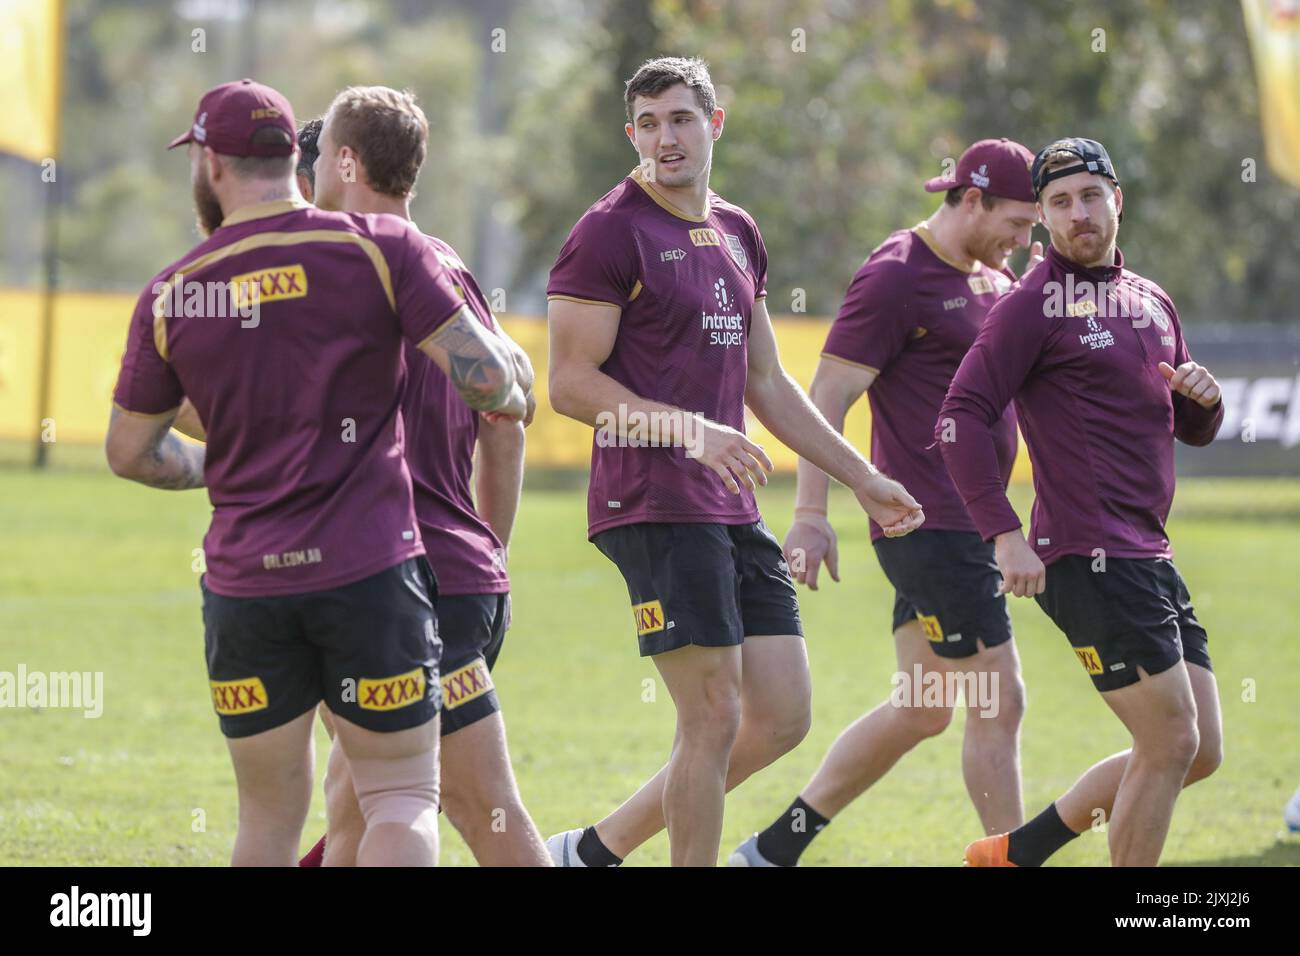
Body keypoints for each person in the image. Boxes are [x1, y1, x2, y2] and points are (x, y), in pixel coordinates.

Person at [105, 78, 524, 866]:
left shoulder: (174, 292)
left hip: (243, 589)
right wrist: (510, 374)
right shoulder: (379, 247)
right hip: (370, 573)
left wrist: (212, 463)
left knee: (266, 820)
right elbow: (488, 386)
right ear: (293, 158)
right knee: (400, 794)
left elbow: (129, 451)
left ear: (211, 163)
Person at [544, 56, 923, 867]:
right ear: (630, 135)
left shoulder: (738, 230)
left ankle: (591, 853)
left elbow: (768, 384)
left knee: (782, 715)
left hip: (728, 504)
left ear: (714, 124)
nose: (664, 138)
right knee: (710, 716)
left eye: (680, 119)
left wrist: (862, 477)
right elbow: (570, 385)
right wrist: (689, 431)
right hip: (650, 499)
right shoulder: (609, 230)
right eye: (647, 124)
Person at [731, 139, 1041, 867]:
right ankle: (1012, 862)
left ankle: (773, 849)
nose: (1026, 241)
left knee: (923, 708)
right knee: (1002, 701)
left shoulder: (992, 280)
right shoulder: (898, 275)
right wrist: (812, 515)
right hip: (934, 527)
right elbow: (826, 395)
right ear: (972, 201)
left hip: (967, 525)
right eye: (1020, 223)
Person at [941, 138, 1224, 867]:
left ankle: (1021, 851)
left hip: (1149, 552)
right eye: (1059, 203)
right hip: (1086, 555)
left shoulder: (1150, 300)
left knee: (1200, 752)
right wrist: (1002, 532)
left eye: (1090, 196)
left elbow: (1181, 425)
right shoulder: (1031, 304)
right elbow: (961, 416)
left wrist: (1204, 407)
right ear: (1042, 217)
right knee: (1170, 743)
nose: (1078, 214)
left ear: (1116, 200)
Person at [298, 85, 548, 866]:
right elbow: (510, 415)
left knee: (480, 808)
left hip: (413, 581)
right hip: (452, 577)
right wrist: (488, 552)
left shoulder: (348, 268)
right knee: (355, 804)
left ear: (343, 160)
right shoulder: (444, 268)